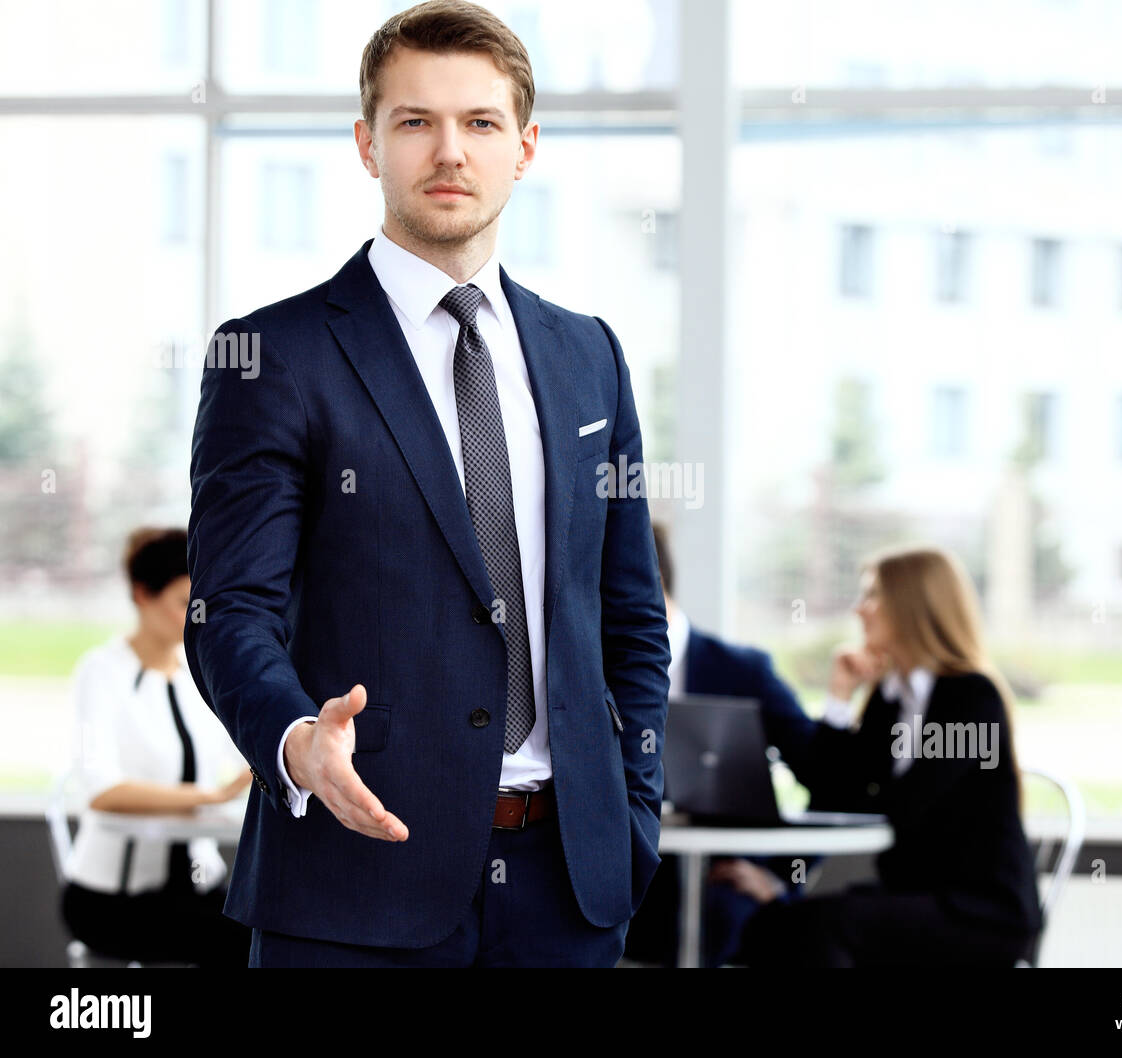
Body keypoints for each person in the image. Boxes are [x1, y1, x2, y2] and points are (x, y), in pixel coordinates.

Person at [184, 0, 669, 967]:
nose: (450, 151)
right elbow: (231, 608)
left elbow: (629, 613)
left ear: (524, 147)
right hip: (354, 879)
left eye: (480, 123)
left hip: (569, 888)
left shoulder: (589, 356)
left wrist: (634, 808)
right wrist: (292, 742)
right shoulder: (273, 355)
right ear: (368, 144)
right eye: (416, 122)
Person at [732, 545, 1043, 967]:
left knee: (812, 927)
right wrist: (840, 697)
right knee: (768, 927)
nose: (859, 610)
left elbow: (906, 806)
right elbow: (833, 789)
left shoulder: (972, 697)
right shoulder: (891, 699)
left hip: (981, 910)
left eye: (873, 596)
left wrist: (854, 794)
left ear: (914, 606)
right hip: (915, 898)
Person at [624, 522, 823, 967]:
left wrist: (781, 877)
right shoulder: (588, 676)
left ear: (644, 581)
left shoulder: (743, 671)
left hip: (720, 889)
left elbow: (825, 775)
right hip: (624, 883)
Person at [59, 528, 254, 967]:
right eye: (184, 603)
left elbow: (241, 755)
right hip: (114, 899)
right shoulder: (102, 672)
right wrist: (210, 796)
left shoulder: (195, 676)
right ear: (143, 594)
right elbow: (102, 791)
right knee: (240, 943)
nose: (196, 617)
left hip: (196, 886)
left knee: (277, 925)